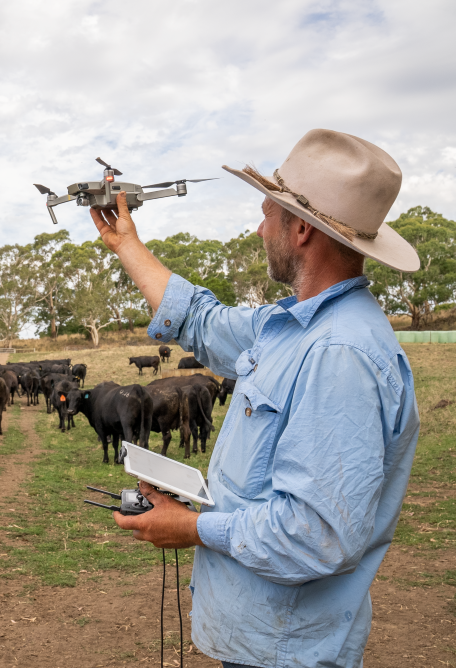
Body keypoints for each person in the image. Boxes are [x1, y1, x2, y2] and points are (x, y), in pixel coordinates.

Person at [93, 129, 422, 668]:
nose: (259, 224)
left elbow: (314, 536)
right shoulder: (288, 326)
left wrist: (191, 527)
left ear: (299, 230)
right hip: (267, 639)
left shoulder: (339, 354)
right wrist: (125, 242)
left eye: (267, 210)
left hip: (286, 650)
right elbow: (201, 322)